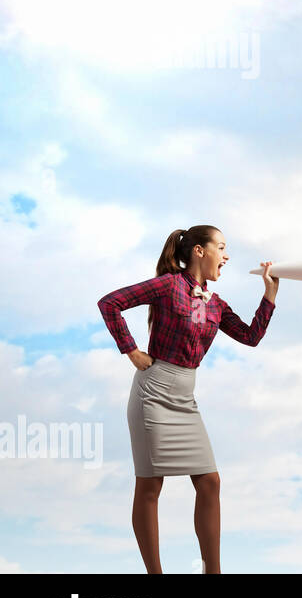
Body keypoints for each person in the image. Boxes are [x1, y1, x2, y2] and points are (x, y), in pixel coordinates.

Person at [97, 225, 278, 573]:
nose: (226, 256)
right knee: (150, 486)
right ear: (199, 251)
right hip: (154, 392)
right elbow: (110, 303)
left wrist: (269, 296)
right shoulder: (167, 286)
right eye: (221, 247)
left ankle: (213, 571)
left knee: (210, 482)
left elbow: (251, 336)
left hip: (186, 397)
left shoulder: (216, 304)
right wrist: (131, 351)